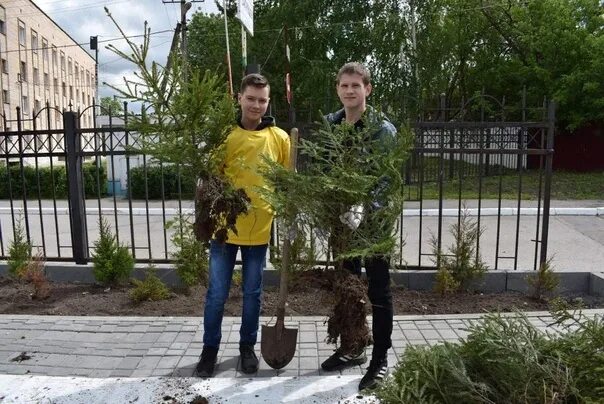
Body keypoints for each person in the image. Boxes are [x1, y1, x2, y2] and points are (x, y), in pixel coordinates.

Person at [196, 73, 291, 377]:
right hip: (225, 231)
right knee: (217, 293)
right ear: (239, 98)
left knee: (253, 293)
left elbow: (287, 181)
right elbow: (210, 180)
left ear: (268, 102)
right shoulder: (225, 136)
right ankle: (209, 349)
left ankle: (247, 348)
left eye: (262, 100)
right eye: (250, 98)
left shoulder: (280, 138)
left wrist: (288, 212)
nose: (256, 105)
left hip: (260, 231)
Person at [319, 62, 397, 391]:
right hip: (343, 224)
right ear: (337, 89)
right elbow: (323, 169)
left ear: (368, 88)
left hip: (374, 223)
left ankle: (380, 358)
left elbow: (385, 176)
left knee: (378, 291)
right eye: (344, 85)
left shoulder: (382, 129)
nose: (350, 90)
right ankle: (353, 348)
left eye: (356, 85)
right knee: (349, 287)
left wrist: (365, 204)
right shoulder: (332, 124)